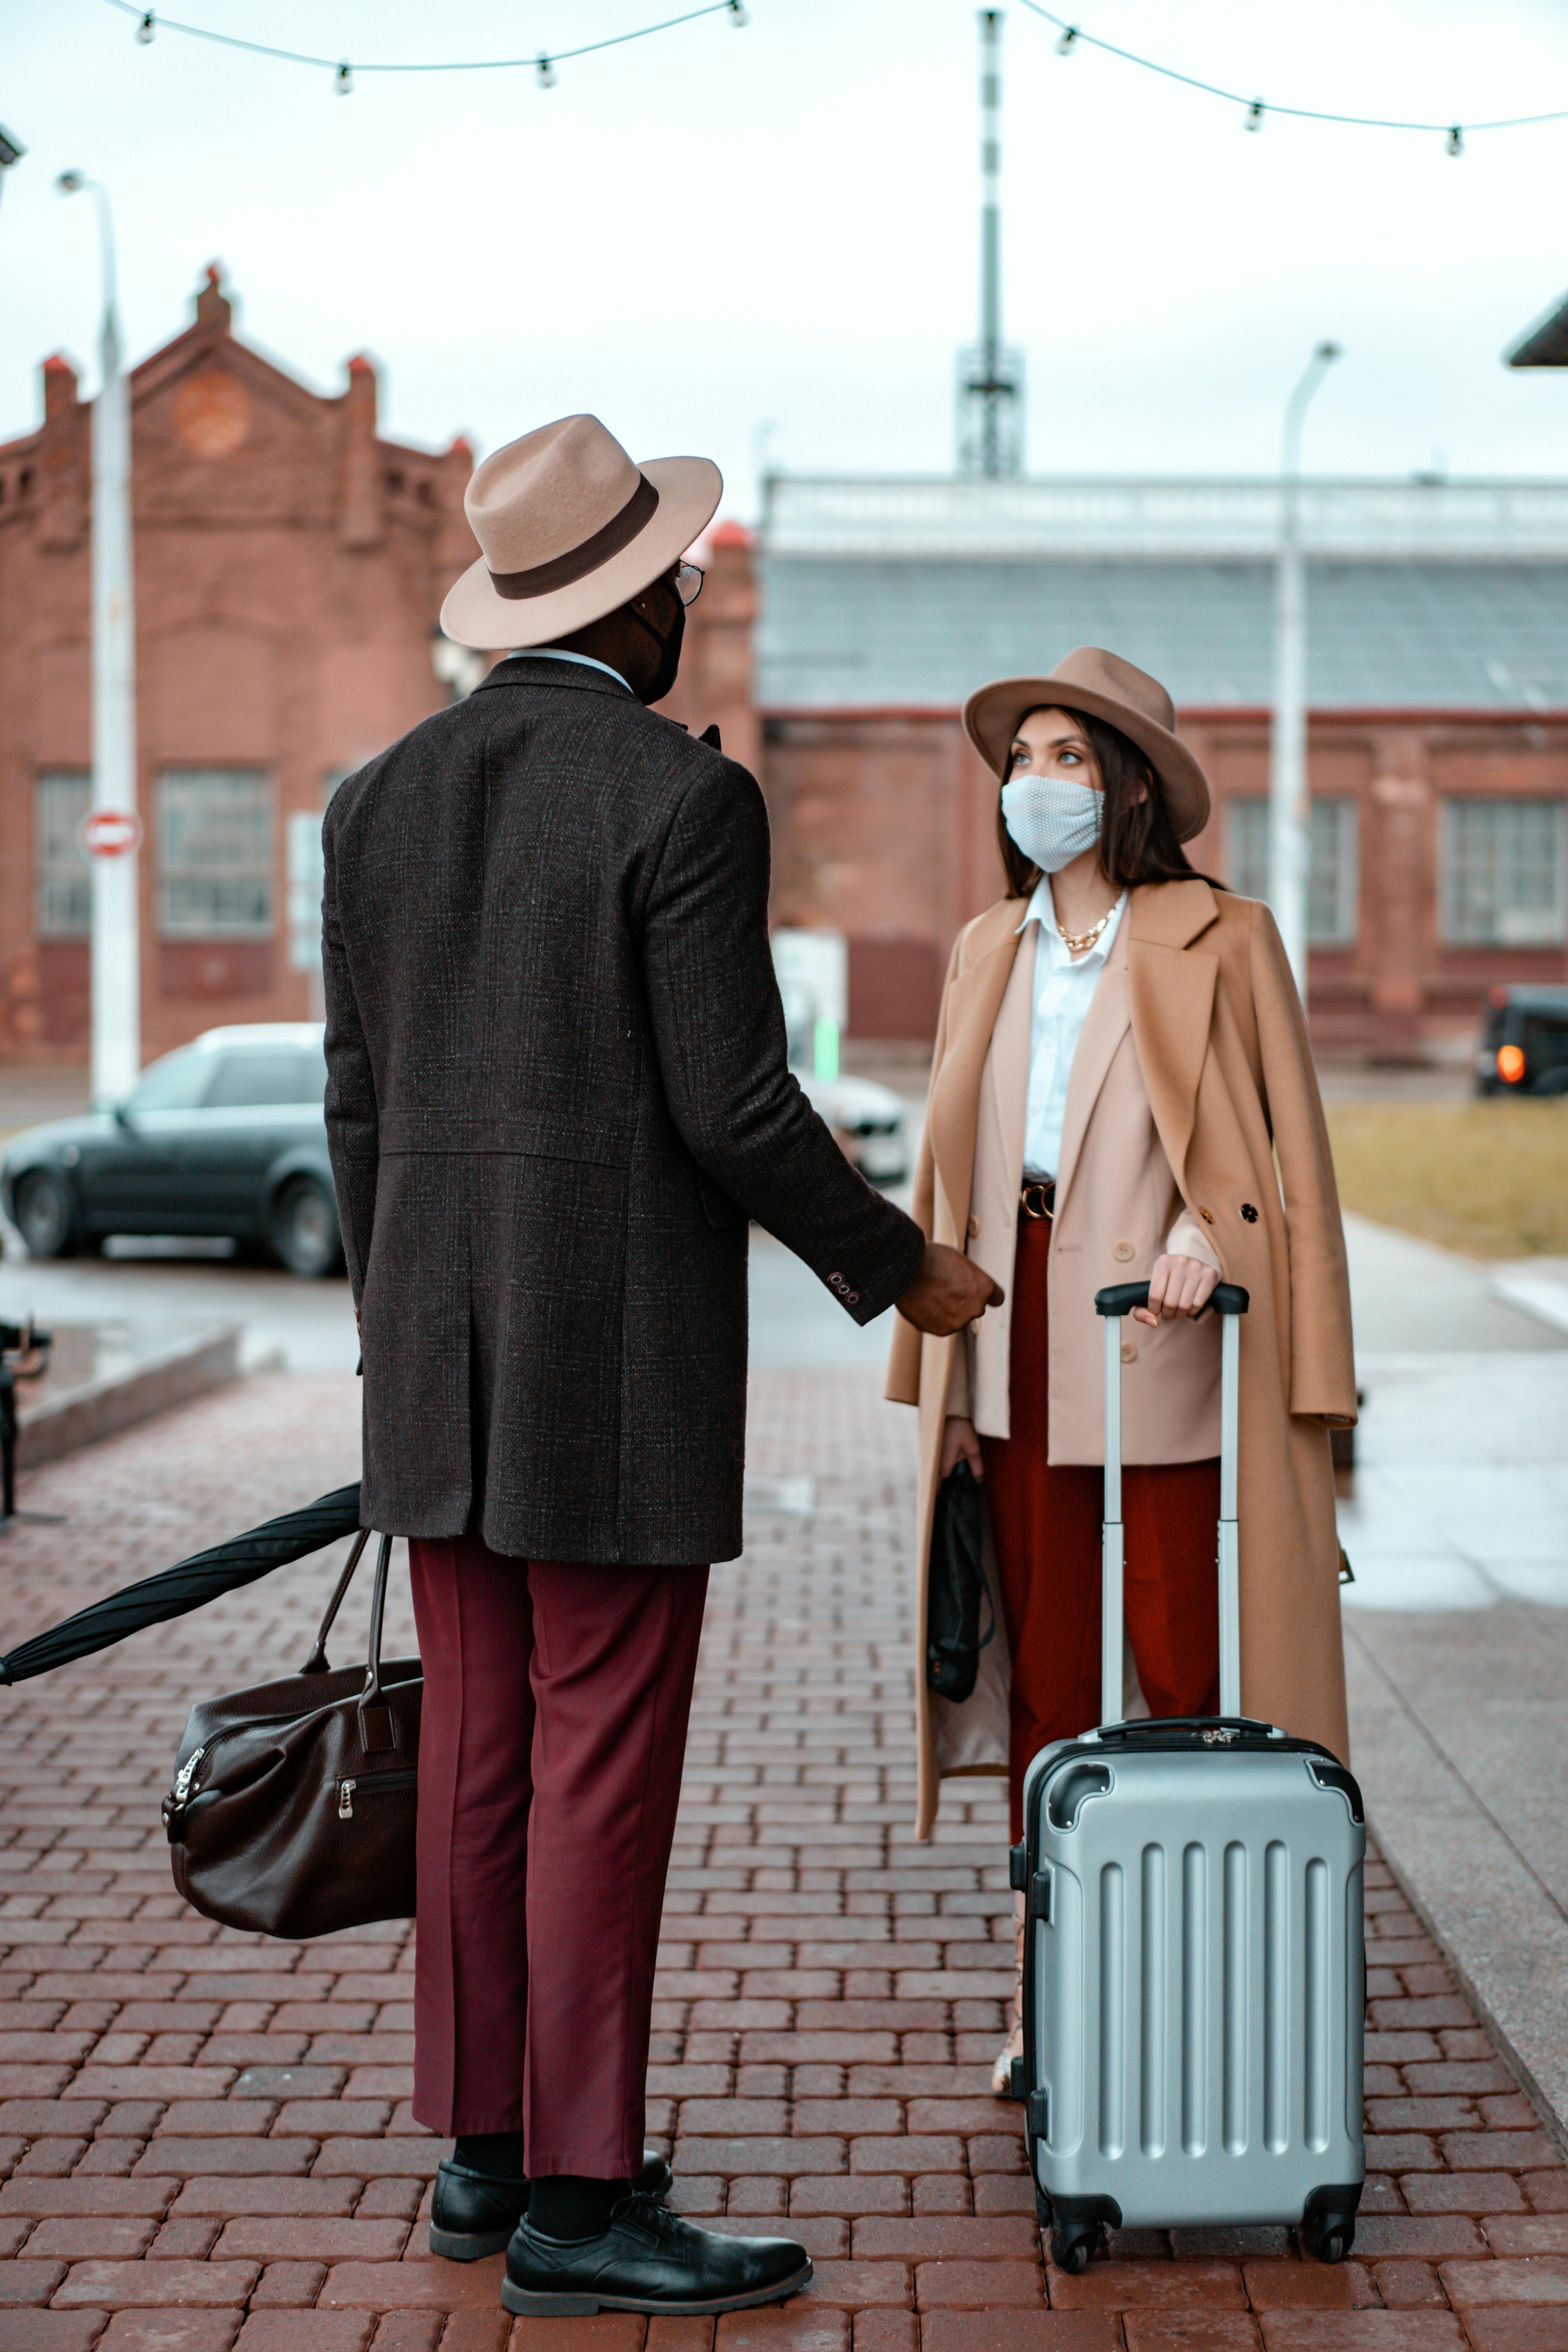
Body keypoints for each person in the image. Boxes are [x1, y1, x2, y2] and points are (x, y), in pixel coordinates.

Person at [321, 414, 998, 2319]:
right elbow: (737, 1106)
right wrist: (901, 1268)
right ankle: (586, 2199)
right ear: (627, 604)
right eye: (680, 582)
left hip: (433, 1377)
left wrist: (396, 1341)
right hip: (610, 1373)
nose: (692, 604)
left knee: (473, 1758)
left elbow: (356, 1108)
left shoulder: (373, 798)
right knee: (598, 1766)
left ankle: (483, 2156)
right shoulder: (677, 798)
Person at [884, 646, 1356, 2098]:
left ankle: (1194, 1999)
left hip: (1159, 1336)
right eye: (1021, 757)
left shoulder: (1223, 934)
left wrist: (1214, 1239)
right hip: (1012, 1329)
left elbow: (1289, 1160)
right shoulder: (987, 946)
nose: (1038, 782)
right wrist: (944, 1384)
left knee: (1171, 1673)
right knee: (1045, 1686)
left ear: (1131, 786)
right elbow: (949, 1171)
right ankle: (1051, 2002)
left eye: (1071, 759)